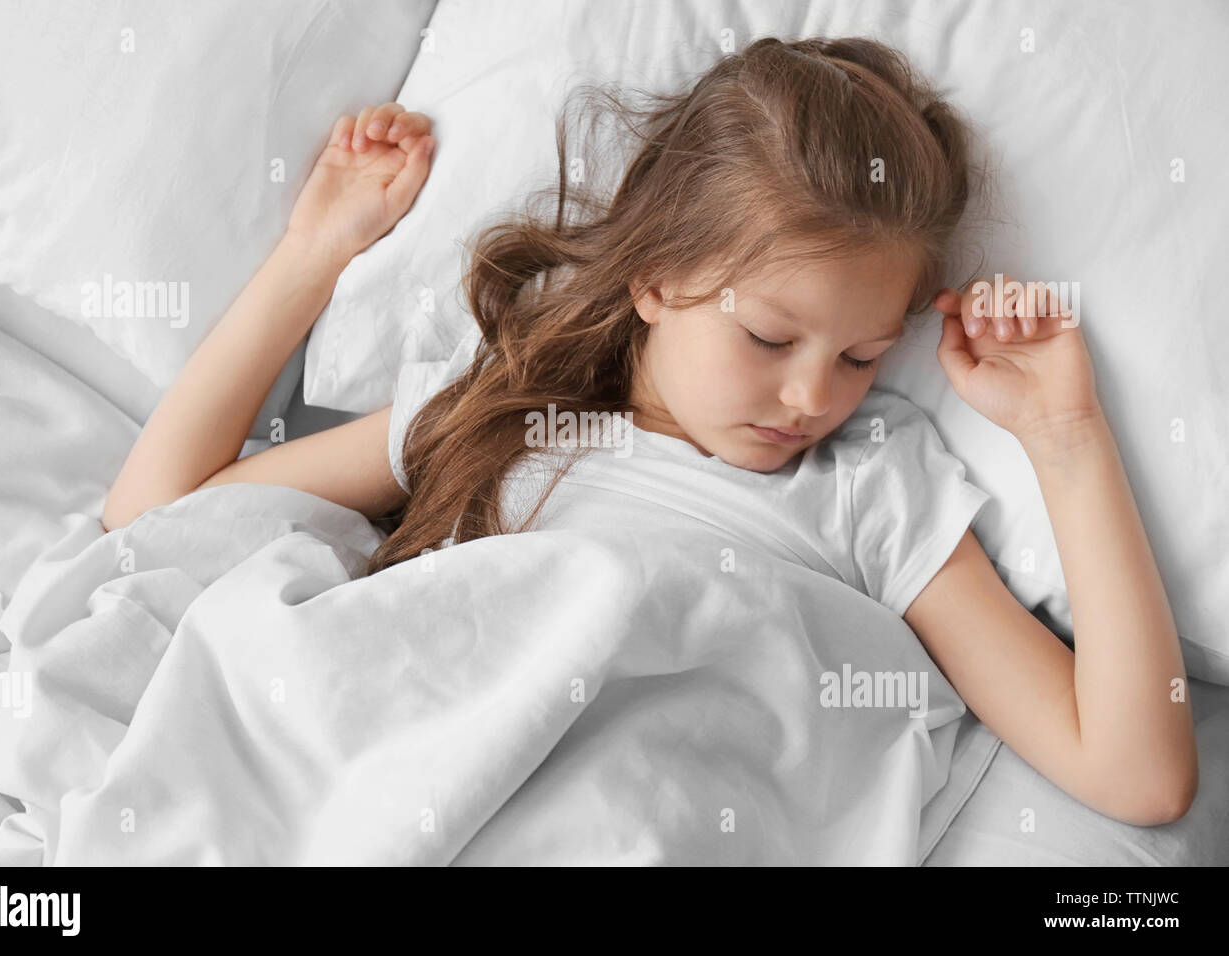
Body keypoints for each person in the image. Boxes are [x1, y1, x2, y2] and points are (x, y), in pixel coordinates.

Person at [104, 36, 1197, 827]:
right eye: (768, 335)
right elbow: (154, 518)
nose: (812, 396)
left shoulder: (869, 483)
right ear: (656, 278)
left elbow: (1137, 774)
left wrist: (1066, 437)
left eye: (862, 356)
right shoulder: (511, 408)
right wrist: (314, 250)